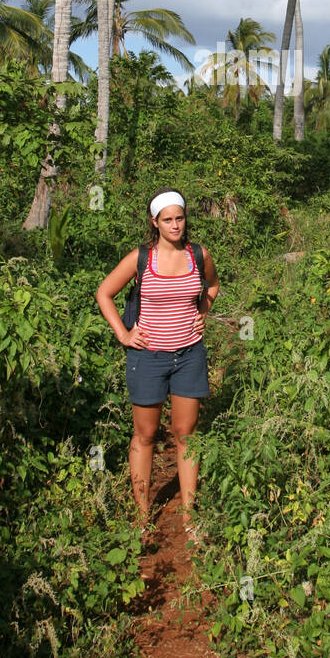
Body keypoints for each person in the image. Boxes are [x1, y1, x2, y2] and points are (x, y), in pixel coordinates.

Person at [95, 189, 219, 531]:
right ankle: (141, 513)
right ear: (155, 222)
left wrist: (204, 311)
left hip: (189, 355)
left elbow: (212, 284)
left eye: (179, 218)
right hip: (147, 358)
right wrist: (123, 334)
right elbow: (104, 292)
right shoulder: (141, 258)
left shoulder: (198, 255)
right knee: (146, 433)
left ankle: (190, 515)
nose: (175, 225)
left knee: (185, 433)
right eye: (168, 219)